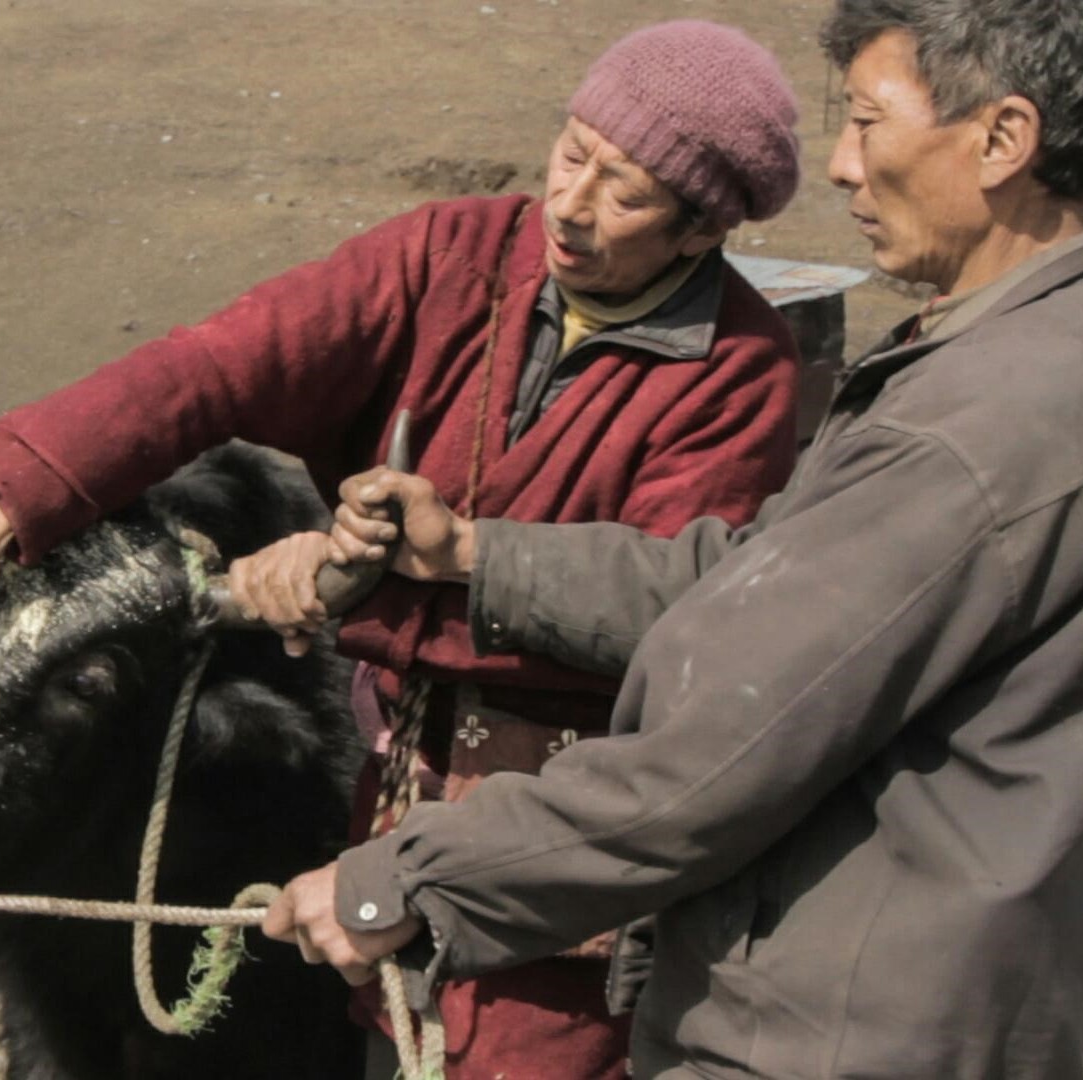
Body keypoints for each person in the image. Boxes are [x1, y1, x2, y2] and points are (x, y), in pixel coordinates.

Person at [0, 20, 804, 1079]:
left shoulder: (741, 372)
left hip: (574, 850)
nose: (572, 207)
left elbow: (655, 630)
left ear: (697, 231)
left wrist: (346, 591)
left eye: (624, 190)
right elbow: (216, 370)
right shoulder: (456, 256)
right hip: (392, 807)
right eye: (571, 152)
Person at [261, 1, 1083, 1076]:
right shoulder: (1023, 364)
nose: (839, 166)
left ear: (1002, 140)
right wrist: (474, 554)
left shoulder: (970, 430)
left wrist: (405, 879)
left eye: (871, 123)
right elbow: (758, 582)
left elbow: (730, 741)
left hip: (841, 1032)